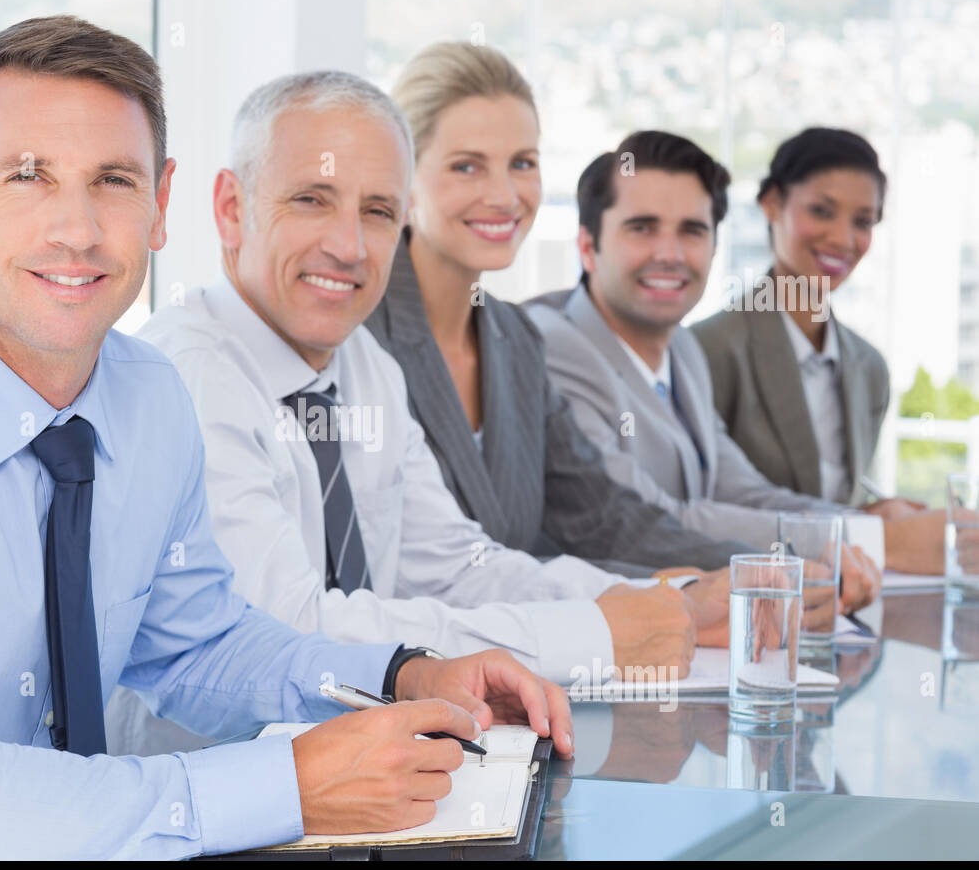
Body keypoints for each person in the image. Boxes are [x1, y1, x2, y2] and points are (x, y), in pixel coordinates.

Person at [0, 15, 574, 861]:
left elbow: (195, 647)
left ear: (160, 206)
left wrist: (400, 673)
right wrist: (288, 784)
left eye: (113, 180)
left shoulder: (147, 398)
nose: (76, 230)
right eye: (28, 176)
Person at [129, 69, 728, 763]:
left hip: (372, 778)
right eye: (312, 200)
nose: (349, 247)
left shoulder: (363, 364)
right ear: (232, 208)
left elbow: (457, 566)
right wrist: (593, 634)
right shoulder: (190, 374)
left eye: (378, 212)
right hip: (219, 794)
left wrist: (649, 605)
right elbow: (289, 630)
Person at [364, 41, 749, 578]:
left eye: (522, 163)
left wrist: (758, 575)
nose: (503, 195)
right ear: (404, 181)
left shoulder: (514, 338)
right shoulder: (357, 332)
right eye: (467, 166)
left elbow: (600, 515)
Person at [523, 130, 941, 580]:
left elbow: (741, 491)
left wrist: (869, 524)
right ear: (587, 248)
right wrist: (876, 542)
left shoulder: (682, 350)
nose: (670, 253)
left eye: (692, 230)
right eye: (642, 227)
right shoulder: (552, 347)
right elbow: (650, 519)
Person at [692, 127, 915, 515]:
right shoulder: (707, 351)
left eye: (863, 222)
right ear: (771, 203)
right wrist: (866, 525)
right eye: (821, 211)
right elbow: (705, 507)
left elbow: (839, 497)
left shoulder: (870, 368)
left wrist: (879, 512)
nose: (844, 240)